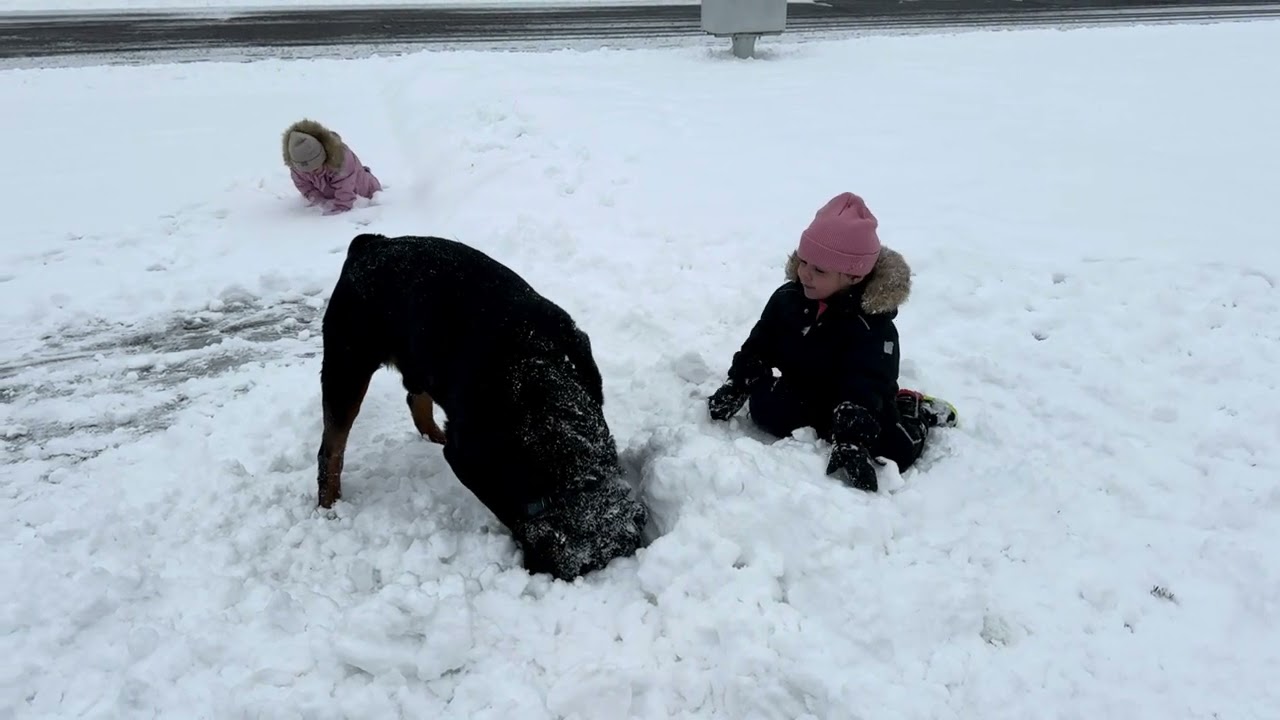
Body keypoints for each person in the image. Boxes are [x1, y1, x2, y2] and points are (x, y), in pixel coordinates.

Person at [707, 191, 956, 492]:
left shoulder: (872, 328)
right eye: (804, 262)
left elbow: (868, 384)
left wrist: (852, 439)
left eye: (819, 270)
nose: (805, 274)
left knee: (894, 451)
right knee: (764, 410)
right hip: (804, 392)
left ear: (853, 276)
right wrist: (740, 383)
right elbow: (762, 342)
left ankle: (914, 409)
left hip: (858, 405)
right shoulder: (788, 298)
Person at [282, 119, 383, 214]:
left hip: (362, 191)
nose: (311, 172)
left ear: (323, 157)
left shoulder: (340, 160)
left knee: (362, 184)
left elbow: (345, 188)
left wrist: (340, 209)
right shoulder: (297, 168)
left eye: (316, 168)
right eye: (306, 171)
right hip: (330, 193)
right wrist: (317, 199)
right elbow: (303, 185)